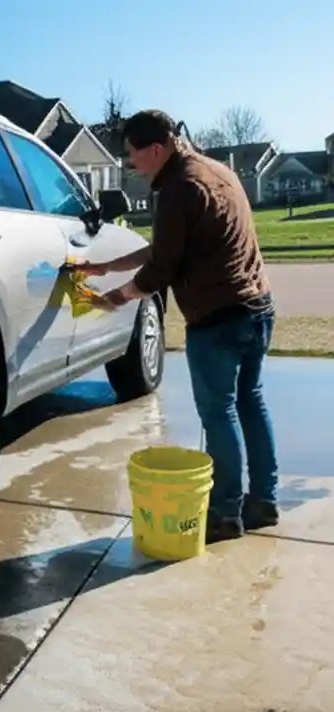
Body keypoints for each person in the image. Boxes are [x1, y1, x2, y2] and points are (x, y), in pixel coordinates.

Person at [76, 109, 279, 543]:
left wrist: (113, 298)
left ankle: (225, 514)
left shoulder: (177, 188)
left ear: (156, 148)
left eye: (132, 154)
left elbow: (158, 271)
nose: (131, 163)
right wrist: (107, 266)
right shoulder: (214, 170)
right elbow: (165, 247)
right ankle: (263, 500)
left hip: (219, 318)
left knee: (219, 411)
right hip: (259, 308)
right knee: (250, 402)